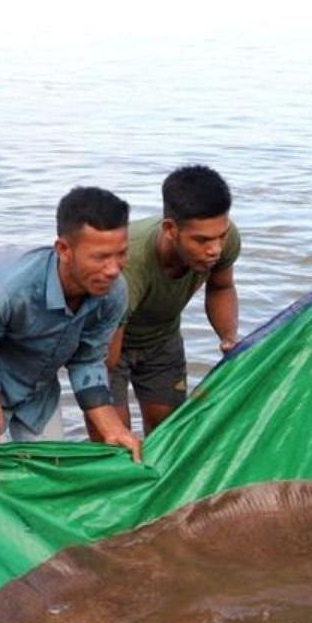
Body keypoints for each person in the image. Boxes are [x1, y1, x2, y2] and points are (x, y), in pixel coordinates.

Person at [0, 187, 143, 462]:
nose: (113, 269)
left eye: (121, 254)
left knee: (51, 467)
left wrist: (112, 428)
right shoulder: (1, 289)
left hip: (36, 380)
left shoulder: (114, 292)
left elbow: (88, 360)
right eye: (100, 257)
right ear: (64, 250)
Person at [109, 165, 242, 435]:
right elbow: (105, 354)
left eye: (221, 235)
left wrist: (229, 336)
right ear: (170, 229)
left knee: (168, 432)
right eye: (202, 240)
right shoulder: (129, 264)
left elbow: (221, 287)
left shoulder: (224, 242)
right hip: (108, 343)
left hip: (162, 338)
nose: (215, 249)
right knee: (114, 441)